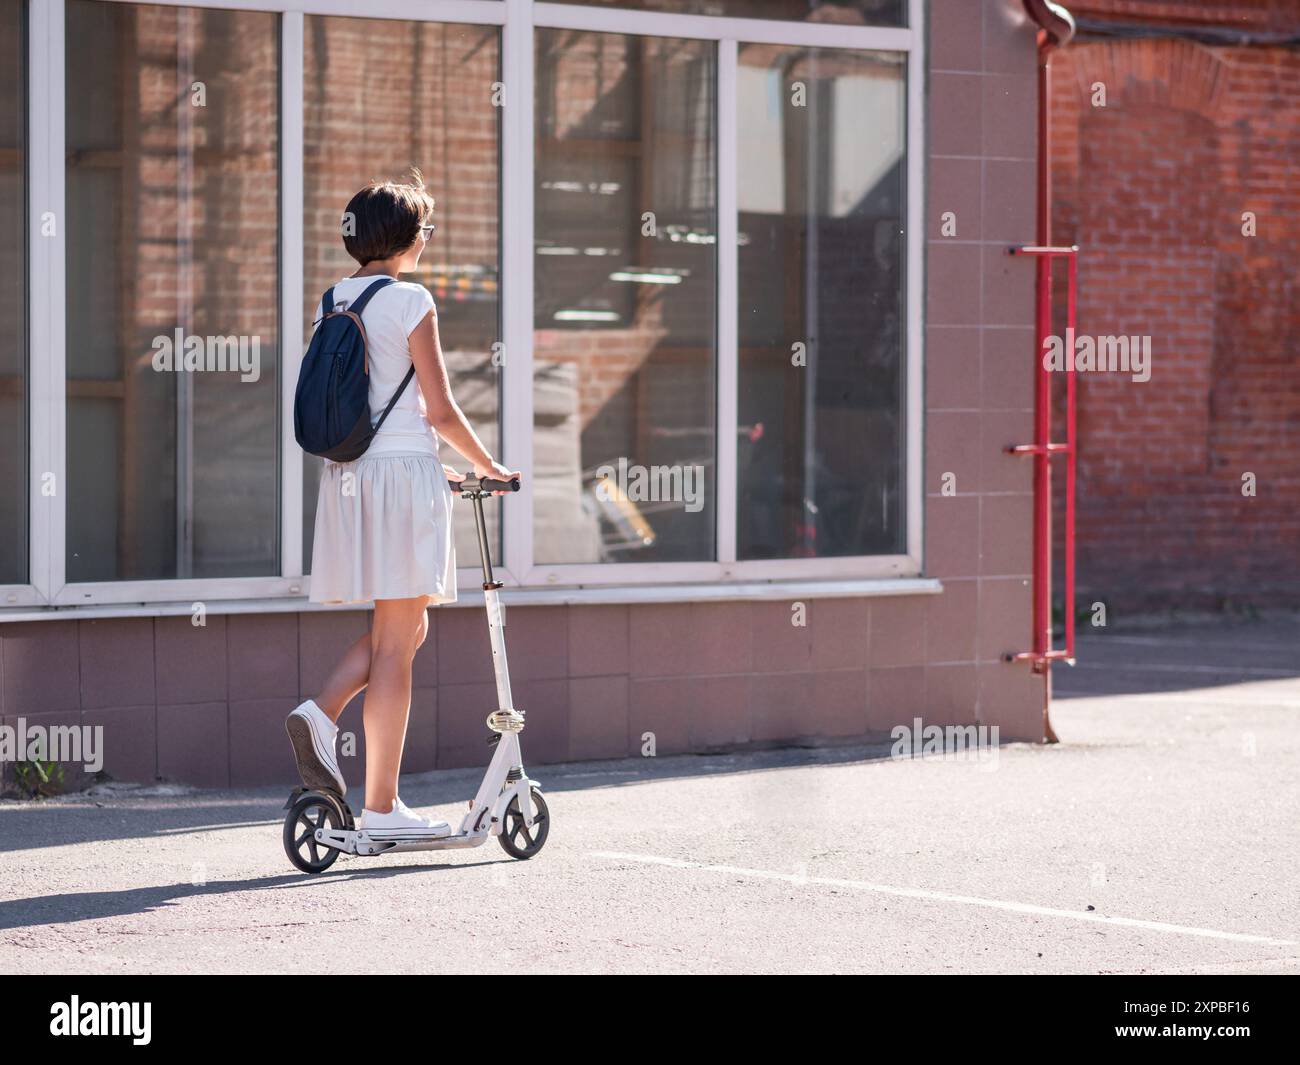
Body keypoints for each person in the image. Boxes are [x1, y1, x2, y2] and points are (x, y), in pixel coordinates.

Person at [286, 172, 518, 837]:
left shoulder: (333, 298)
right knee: (398, 641)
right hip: (400, 481)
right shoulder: (410, 300)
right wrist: (489, 468)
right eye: (427, 230)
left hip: (351, 479)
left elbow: (374, 404)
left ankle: (321, 714)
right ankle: (381, 806)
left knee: (404, 630)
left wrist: (432, 469)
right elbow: (438, 409)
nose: (429, 240)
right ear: (409, 238)